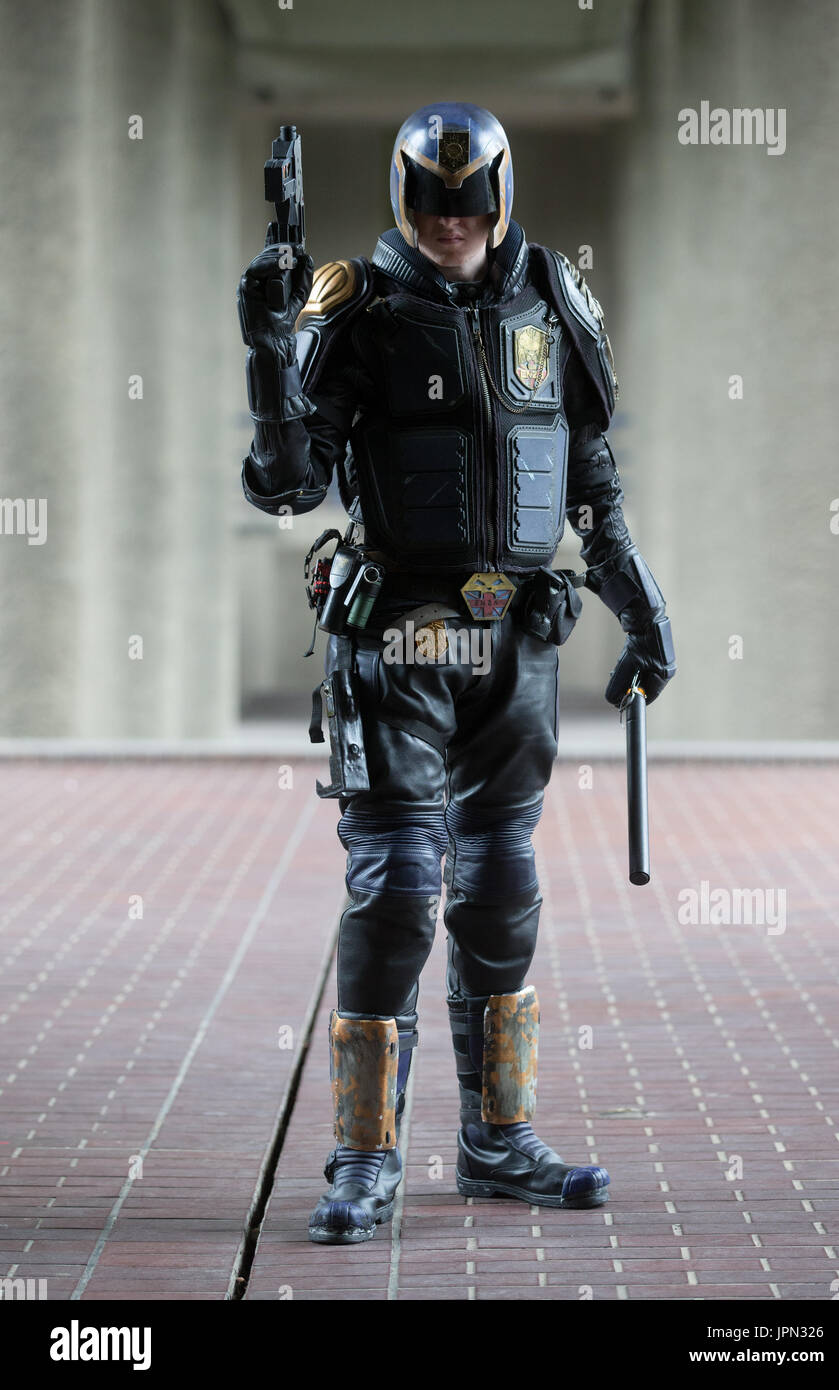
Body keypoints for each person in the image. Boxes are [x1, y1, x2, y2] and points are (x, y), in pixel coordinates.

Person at [236, 102, 676, 1245]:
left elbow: (591, 482)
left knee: (501, 888)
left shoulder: (551, 299)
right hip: (398, 641)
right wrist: (270, 358)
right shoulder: (359, 308)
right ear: (402, 200)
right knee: (395, 887)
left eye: (468, 201)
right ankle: (364, 1155)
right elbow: (287, 484)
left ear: (500, 197)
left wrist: (640, 608)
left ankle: (498, 1137)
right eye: (431, 202)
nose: (449, 222)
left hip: (515, 644)